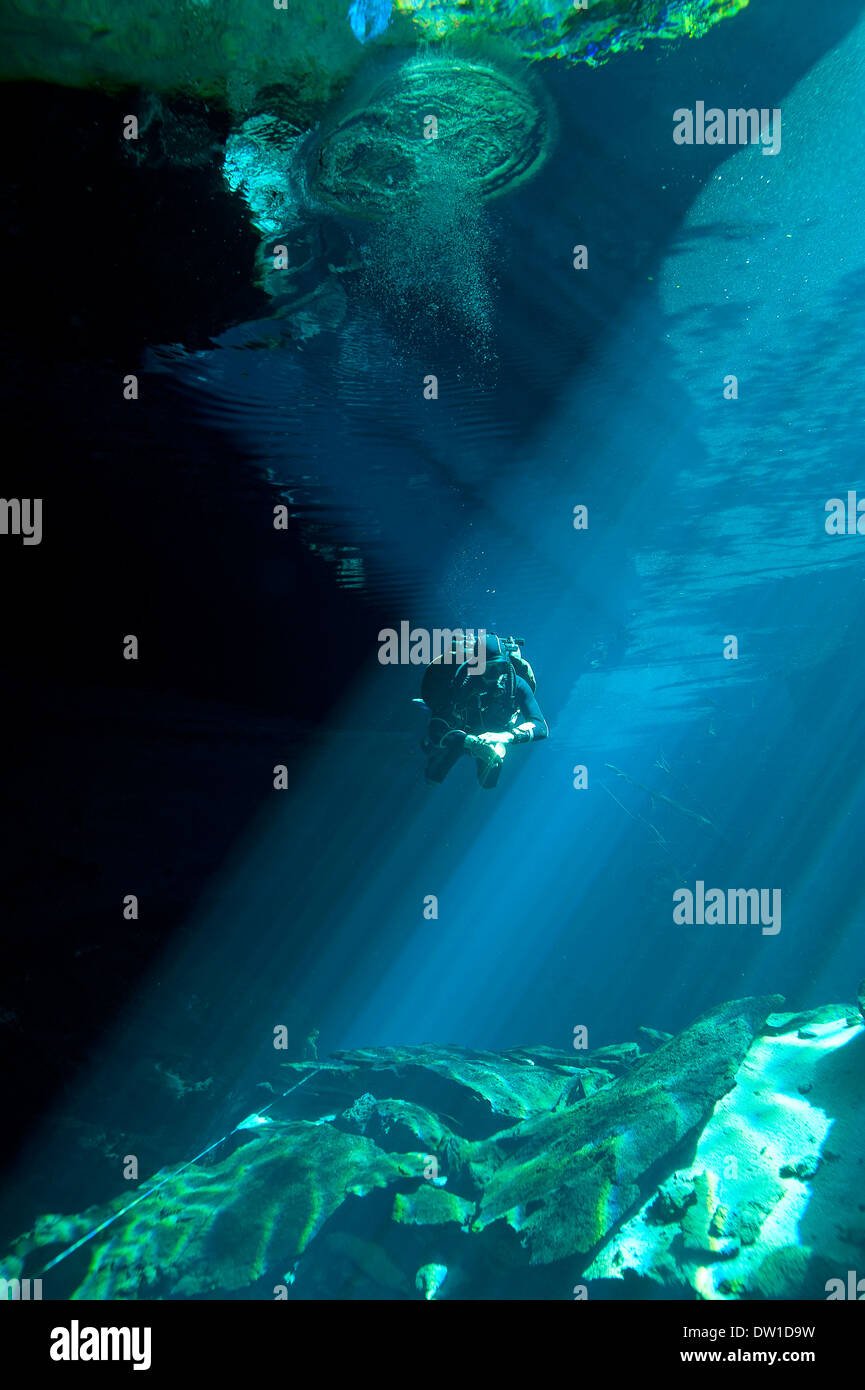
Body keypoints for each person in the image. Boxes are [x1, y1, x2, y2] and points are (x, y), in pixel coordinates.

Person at [417, 633, 548, 788]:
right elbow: (436, 729)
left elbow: (541, 726)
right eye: (488, 669)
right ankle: (441, 757)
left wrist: (505, 737)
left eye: (500, 667)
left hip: (494, 734)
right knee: (433, 778)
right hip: (460, 732)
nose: (497, 676)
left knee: (489, 781)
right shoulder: (461, 685)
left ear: (507, 664)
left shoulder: (516, 684)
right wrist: (470, 743)